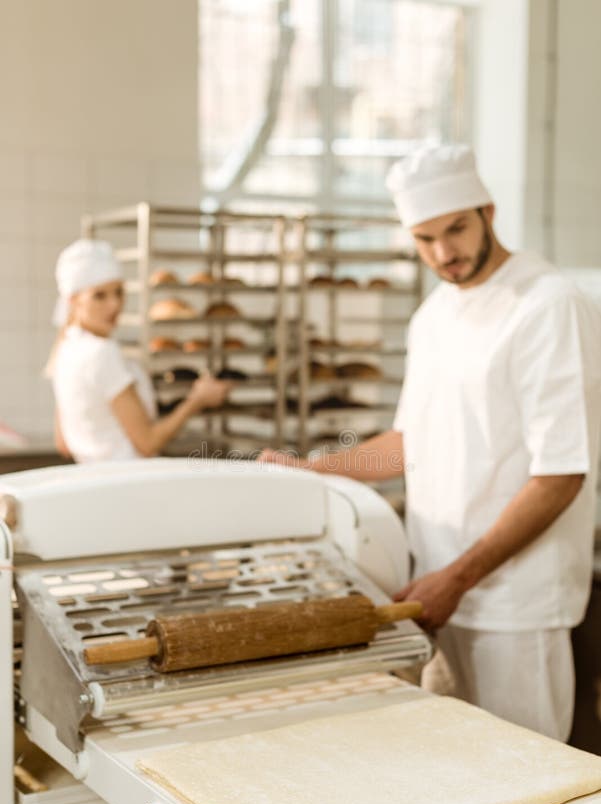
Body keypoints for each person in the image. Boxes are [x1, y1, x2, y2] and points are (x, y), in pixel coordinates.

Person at [260, 144, 601, 742]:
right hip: (435, 593)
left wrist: (460, 577)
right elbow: (405, 443)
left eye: (457, 229)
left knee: (522, 779)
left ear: (488, 212)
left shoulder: (547, 305)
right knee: (454, 771)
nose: (445, 253)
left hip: (515, 608)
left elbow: (562, 474)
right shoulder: (433, 315)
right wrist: (309, 470)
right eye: (425, 239)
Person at [48, 239, 231, 462]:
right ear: (73, 300)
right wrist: (197, 401)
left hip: (93, 479)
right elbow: (148, 443)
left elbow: (63, 443)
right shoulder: (101, 353)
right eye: (100, 295)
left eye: (119, 292)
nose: (114, 305)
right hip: (128, 482)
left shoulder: (65, 349)